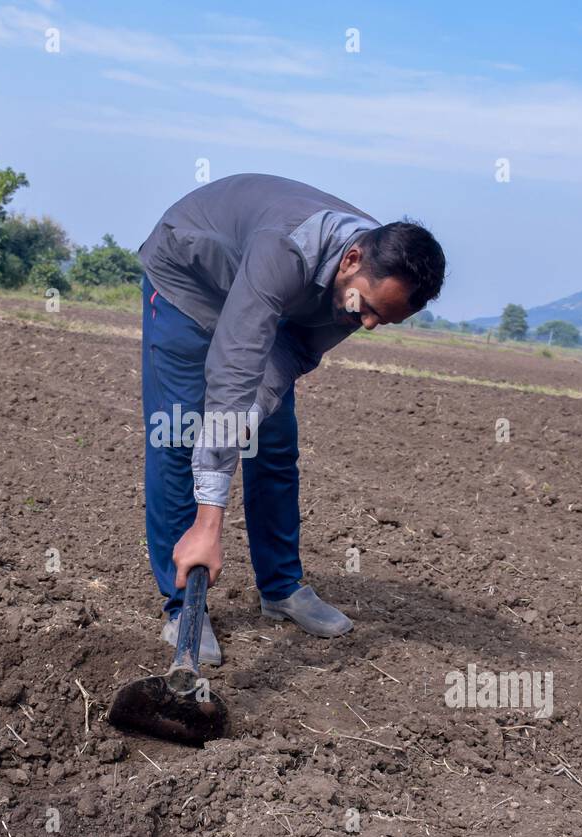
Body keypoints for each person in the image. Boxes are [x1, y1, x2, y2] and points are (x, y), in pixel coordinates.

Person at [138, 173, 445, 664]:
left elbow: (292, 350)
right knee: (179, 436)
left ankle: (280, 587)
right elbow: (236, 361)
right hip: (190, 279)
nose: (366, 324)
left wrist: (250, 418)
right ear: (351, 260)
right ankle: (183, 609)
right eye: (365, 309)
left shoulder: (366, 286)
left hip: (277, 299)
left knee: (274, 441)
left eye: (381, 321)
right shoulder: (285, 248)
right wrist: (210, 519)